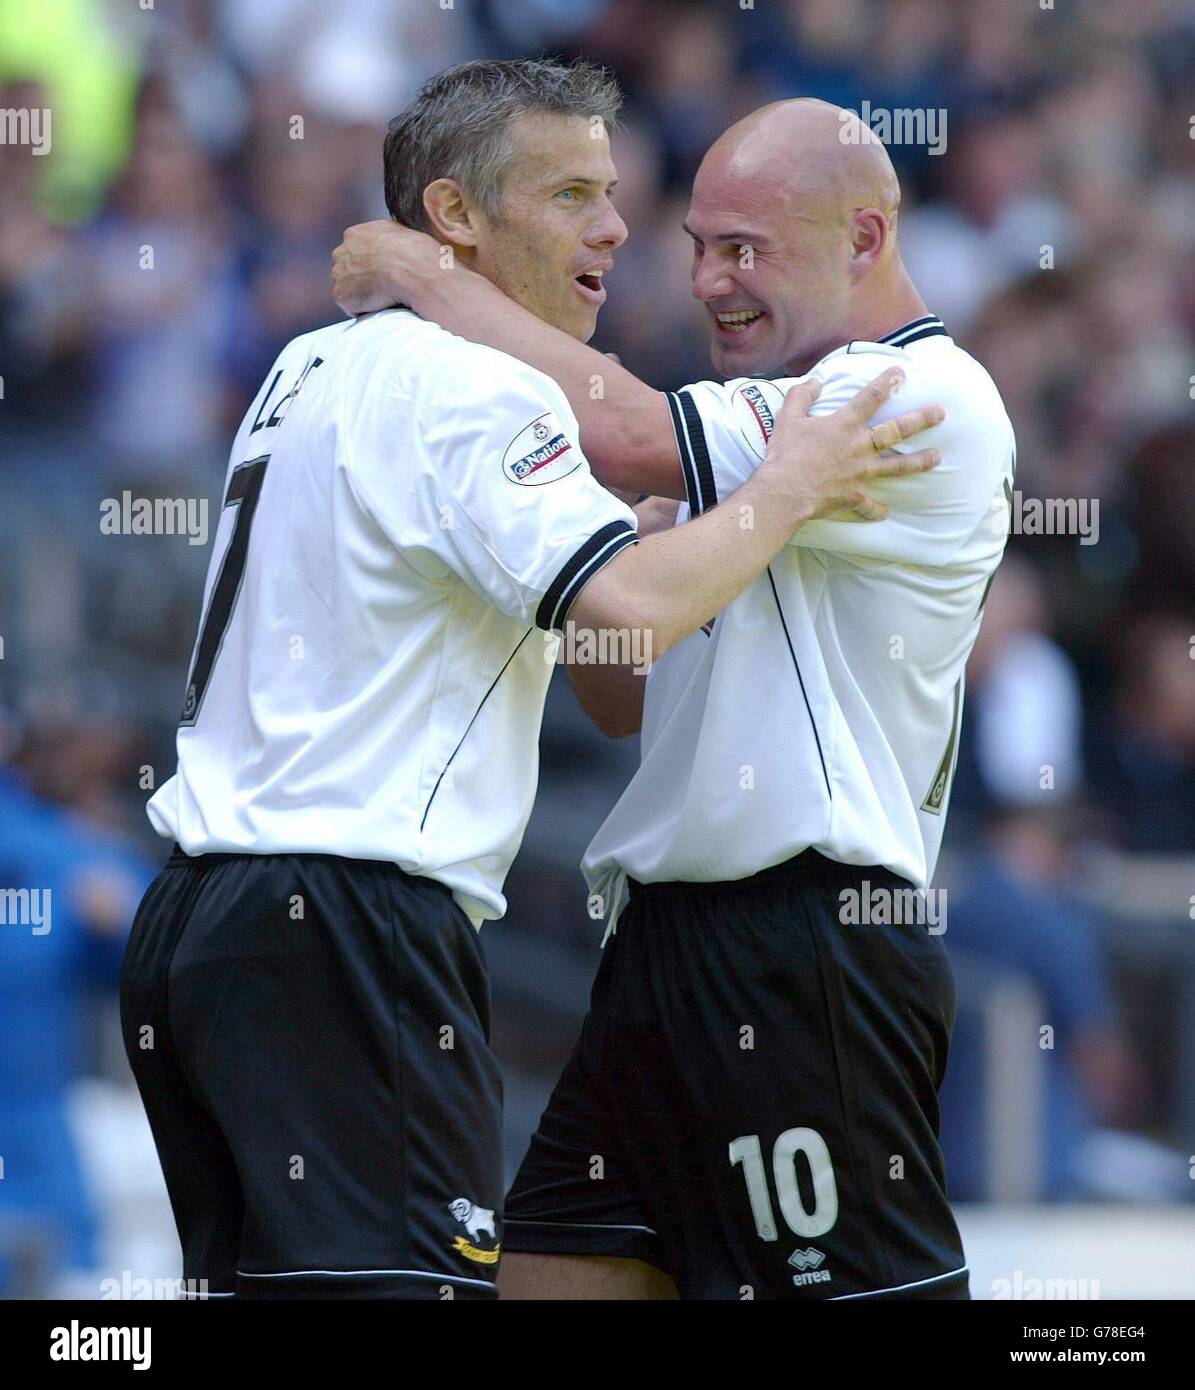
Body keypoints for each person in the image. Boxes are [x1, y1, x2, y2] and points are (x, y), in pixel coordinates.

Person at [120, 63, 941, 1302]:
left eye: (613, 194)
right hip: (348, 926)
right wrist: (789, 489)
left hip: (196, 923)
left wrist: (649, 534)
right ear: (453, 216)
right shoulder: (475, 388)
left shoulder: (306, 366)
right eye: (570, 195)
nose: (614, 227)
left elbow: (607, 670)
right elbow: (631, 615)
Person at [332, 96, 1014, 1300]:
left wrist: (428, 279)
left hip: (804, 943)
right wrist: (631, 563)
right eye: (697, 244)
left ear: (864, 239)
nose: (707, 281)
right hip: (662, 944)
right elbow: (617, 699)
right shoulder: (765, 438)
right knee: (539, 1279)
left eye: (744, 248)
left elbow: (632, 432)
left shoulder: (909, 395)